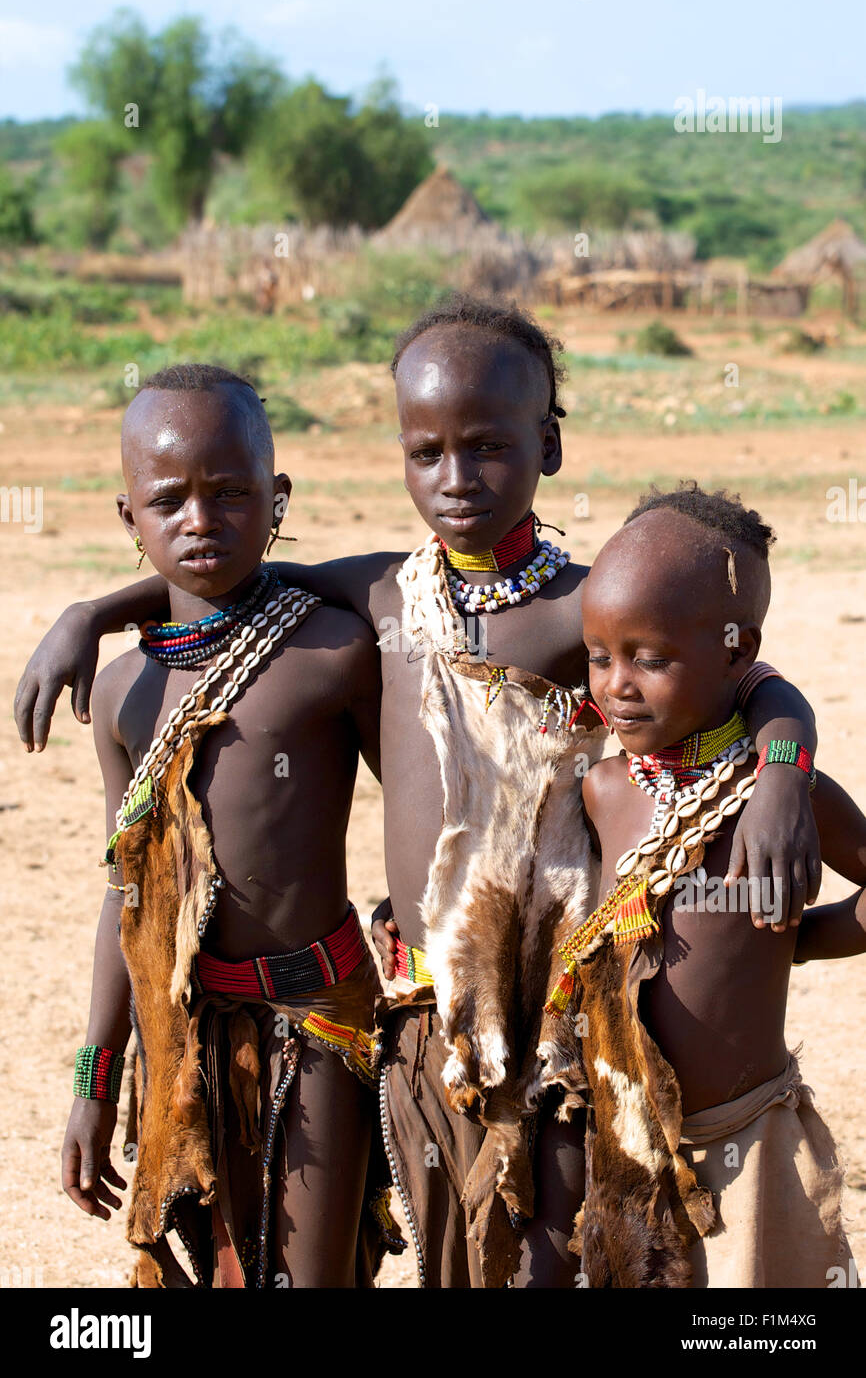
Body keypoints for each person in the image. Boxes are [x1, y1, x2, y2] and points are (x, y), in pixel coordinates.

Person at [16, 298, 823, 1287]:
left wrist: (782, 773)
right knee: (451, 1246)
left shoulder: (583, 607)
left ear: (549, 445)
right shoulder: (385, 596)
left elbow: (748, 676)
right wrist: (87, 614)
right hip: (417, 1014)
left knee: (541, 1245)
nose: (455, 478)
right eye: (426, 451)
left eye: (486, 446)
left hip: (547, 1008)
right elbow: (224, 579)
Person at [59, 364, 397, 1288]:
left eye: (232, 493)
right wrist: (95, 1080)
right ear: (129, 518)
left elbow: (414, 810)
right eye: (168, 501)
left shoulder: (332, 651)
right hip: (187, 1037)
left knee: (310, 1274)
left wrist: (90, 609)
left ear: (277, 498)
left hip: (318, 1013)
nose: (200, 520)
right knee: (222, 1272)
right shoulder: (127, 693)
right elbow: (129, 897)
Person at [546, 484, 865, 1287]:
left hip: (747, 1139)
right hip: (621, 1139)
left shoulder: (786, 795)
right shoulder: (603, 789)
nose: (618, 683)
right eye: (600, 656)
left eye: (651, 660)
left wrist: (791, 941)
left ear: (735, 650)